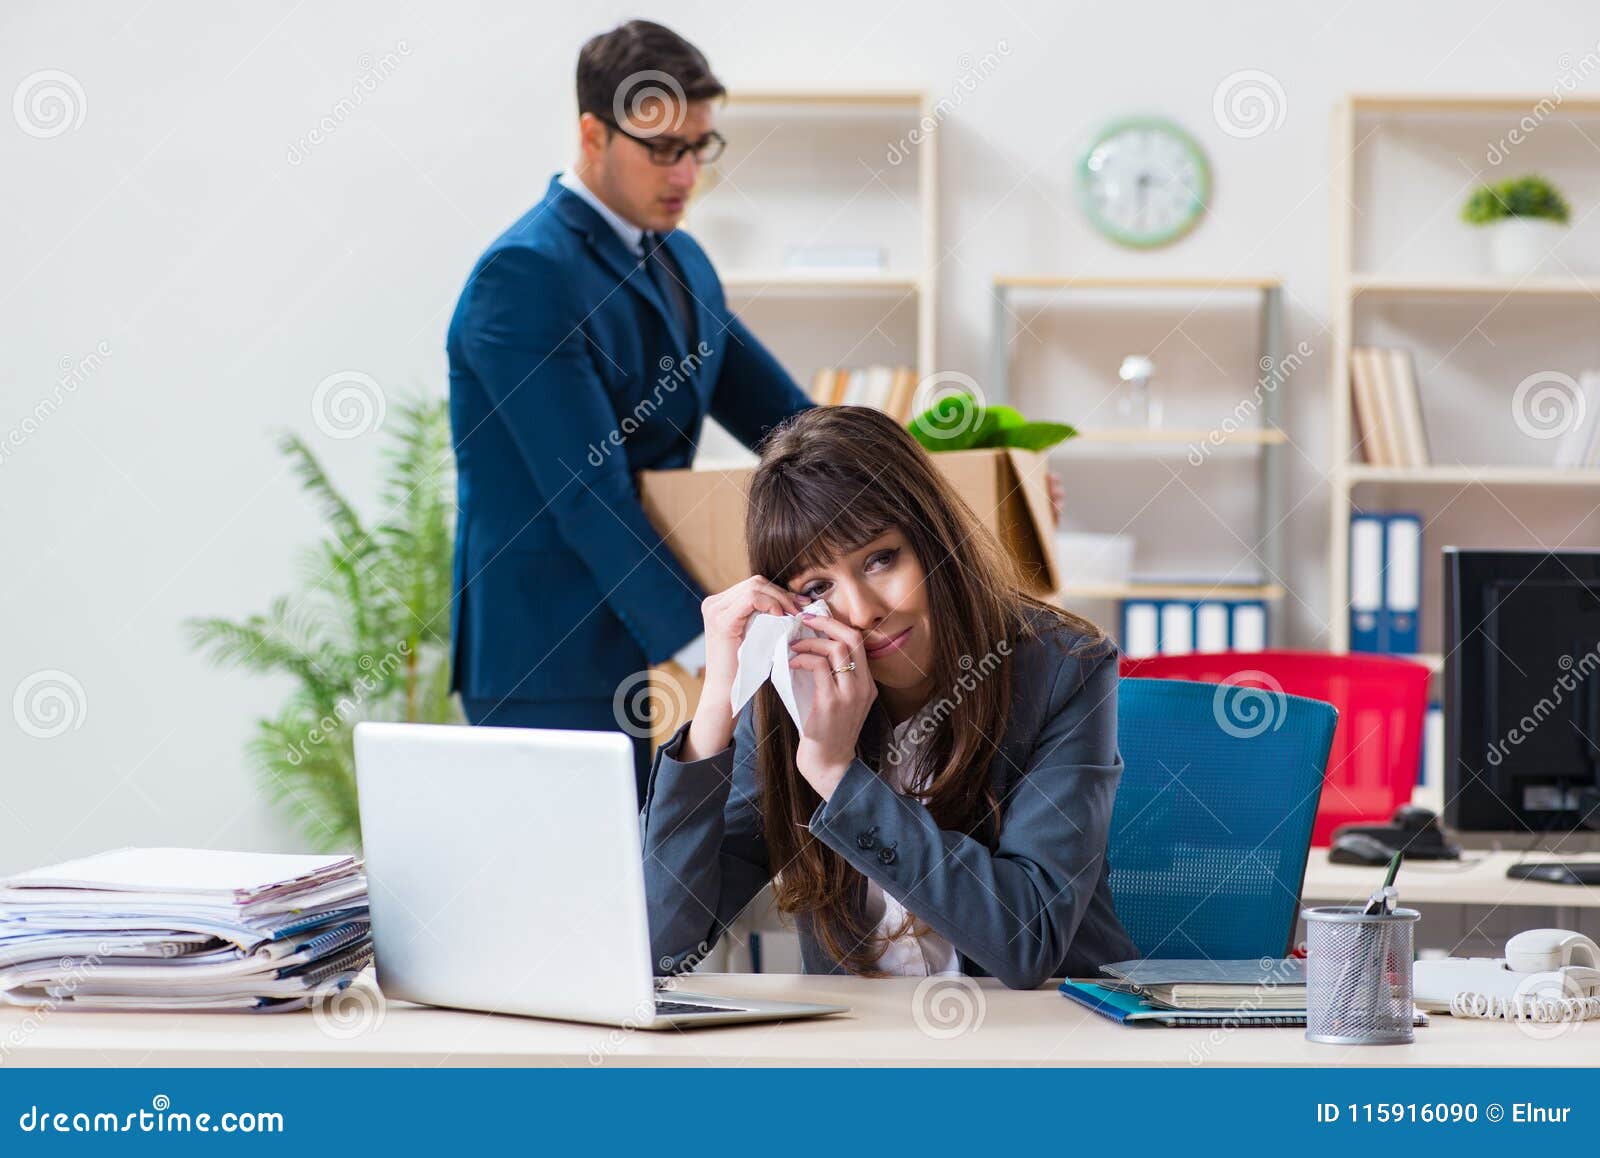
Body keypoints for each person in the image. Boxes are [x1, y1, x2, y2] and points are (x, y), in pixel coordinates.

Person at [641, 406, 1138, 988]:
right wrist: (715, 712)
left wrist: (837, 774)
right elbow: (660, 947)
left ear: (933, 540)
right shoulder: (793, 693)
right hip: (863, 1044)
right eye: (817, 587)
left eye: (880, 559)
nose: (861, 610)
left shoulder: (1062, 668)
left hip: (1044, 1036)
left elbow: (1026, 941)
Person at [445, 21, 811, 796]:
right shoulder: (526, 274)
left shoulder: (680, 257)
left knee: (663, 900)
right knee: (571, 905)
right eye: (662, 148)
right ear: (591, 133)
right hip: (551, 658)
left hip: (654, 630)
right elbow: (587, 493)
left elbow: (788, 419)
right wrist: (711, 651)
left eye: (700, 148)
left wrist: (960, 487)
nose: (685, 173)